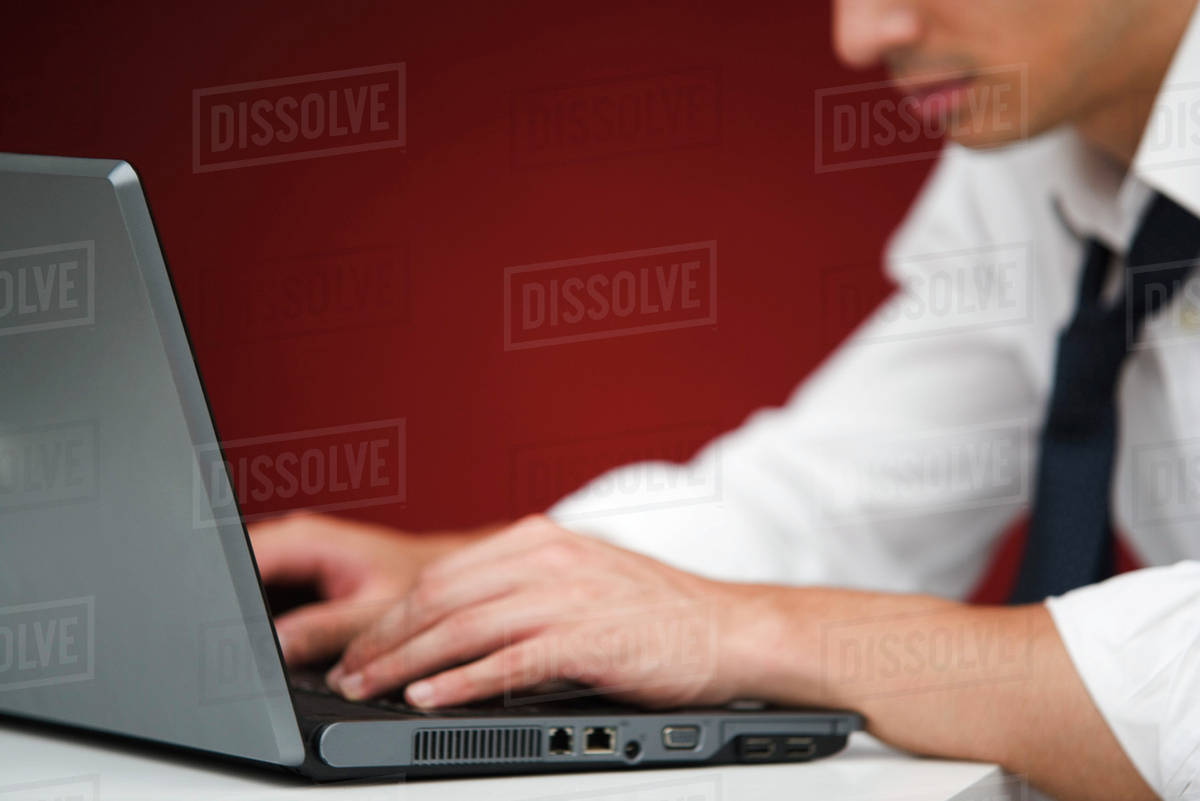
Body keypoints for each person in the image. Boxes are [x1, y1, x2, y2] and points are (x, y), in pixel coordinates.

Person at [249, 1, 1200, 798]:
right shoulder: (1031, 152)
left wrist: (748, 629)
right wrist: (468, 585)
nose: (861, 36)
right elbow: (833, 497)